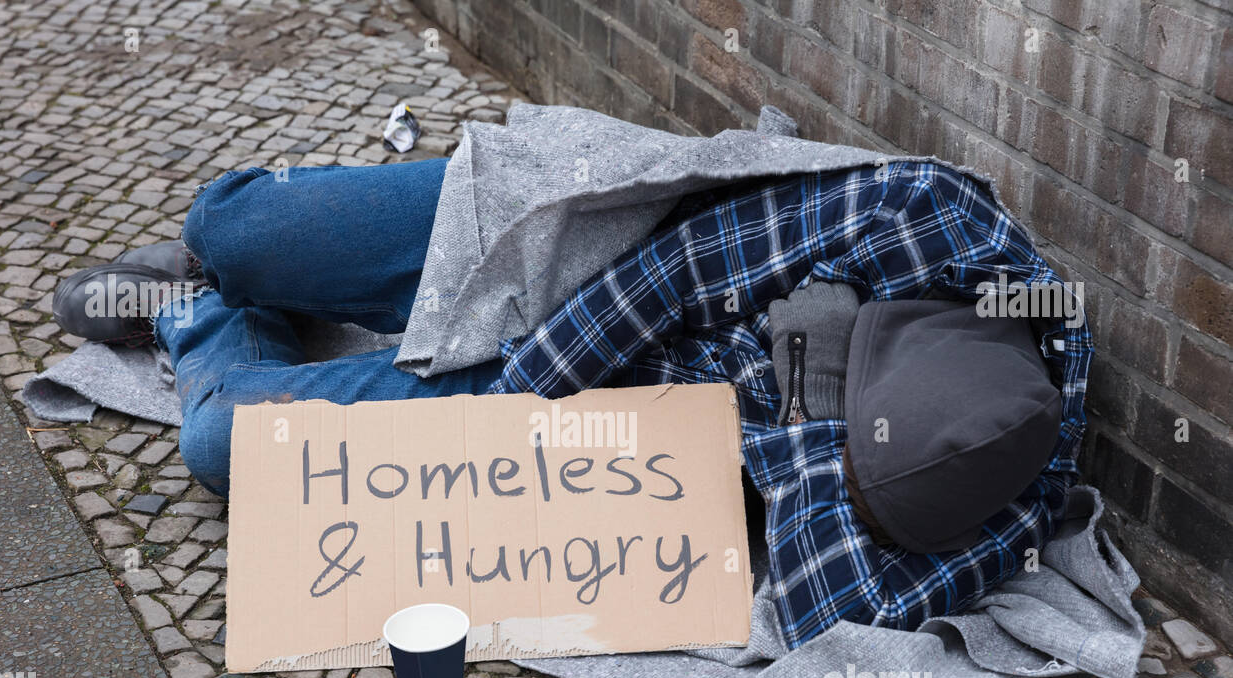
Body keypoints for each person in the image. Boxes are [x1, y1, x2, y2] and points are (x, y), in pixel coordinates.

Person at [53, 154, 1089, 648]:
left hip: (638, 414)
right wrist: (505, 413)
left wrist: (812, 420)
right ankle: (226, 267)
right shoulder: (919, 218)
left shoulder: (1002, 486)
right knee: (242, 230)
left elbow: (831, 612)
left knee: (225, 441)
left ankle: (195, 315)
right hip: (590, 244)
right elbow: (668, 275)